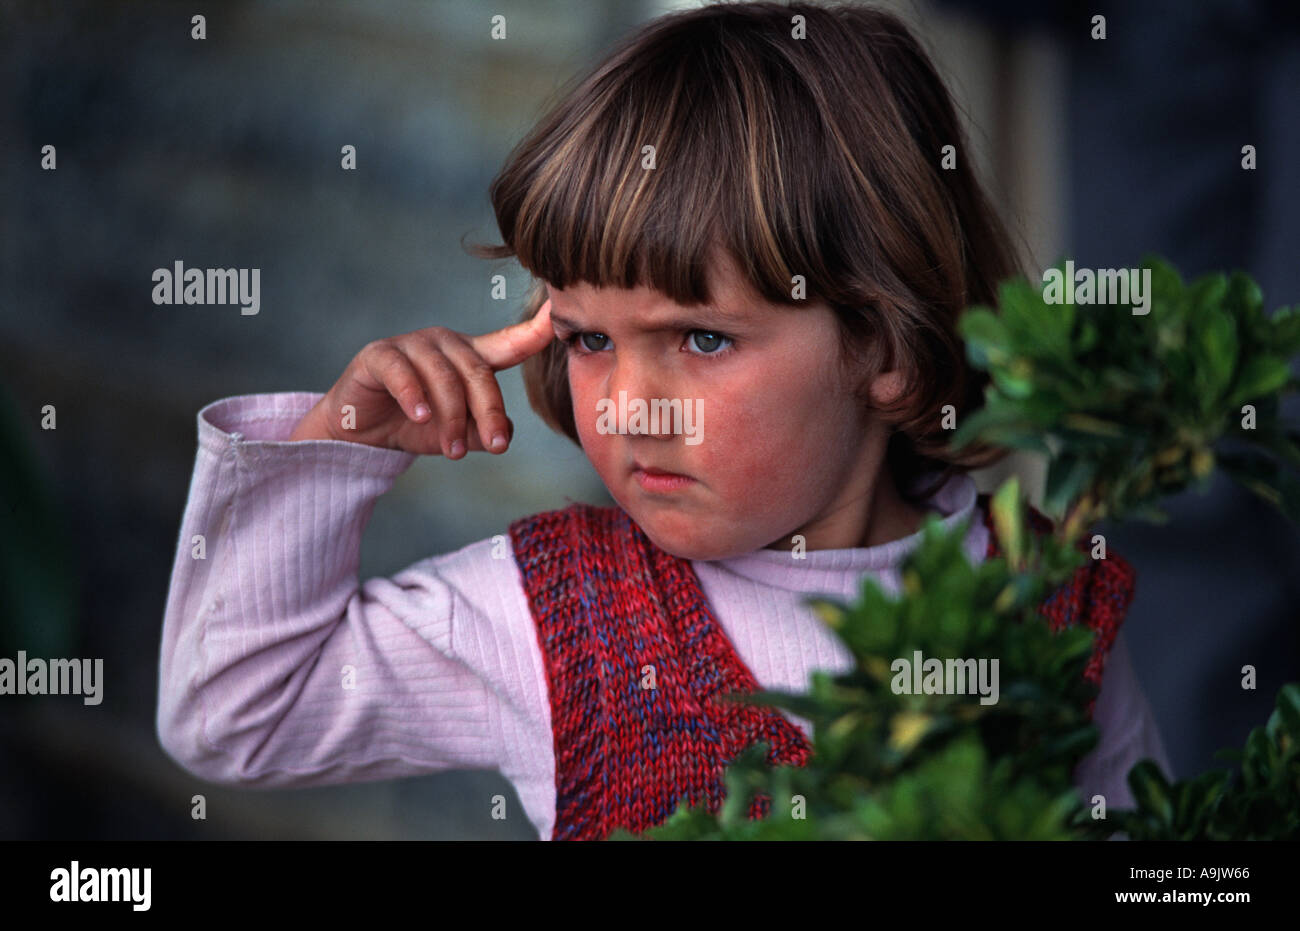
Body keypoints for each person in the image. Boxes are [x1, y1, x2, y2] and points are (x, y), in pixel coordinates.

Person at [155, 1, 1170, 840]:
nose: (630, 406)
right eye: (590, 338)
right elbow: (236, 715)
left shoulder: (1046, 600)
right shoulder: (554, 619)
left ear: (886, 349)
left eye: (702, 339)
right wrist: (332, 452)